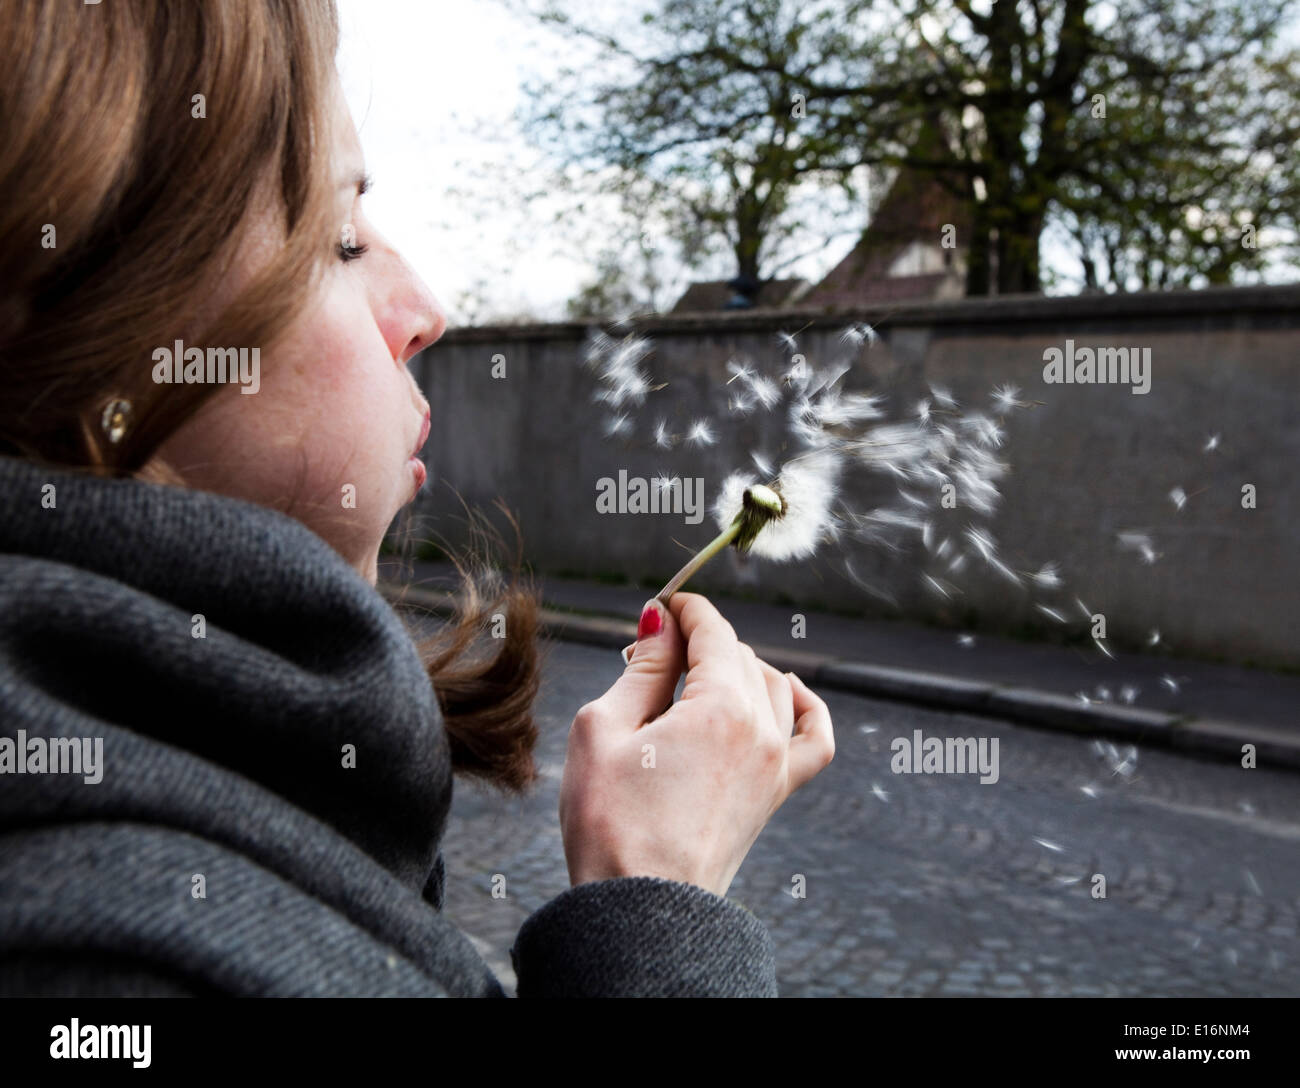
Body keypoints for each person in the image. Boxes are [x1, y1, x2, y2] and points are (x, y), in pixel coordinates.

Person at [0, 0, 834, 997]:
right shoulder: (116, 956)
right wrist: (655, 904)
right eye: (337, 240)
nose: (426, 309)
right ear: (100, 336)